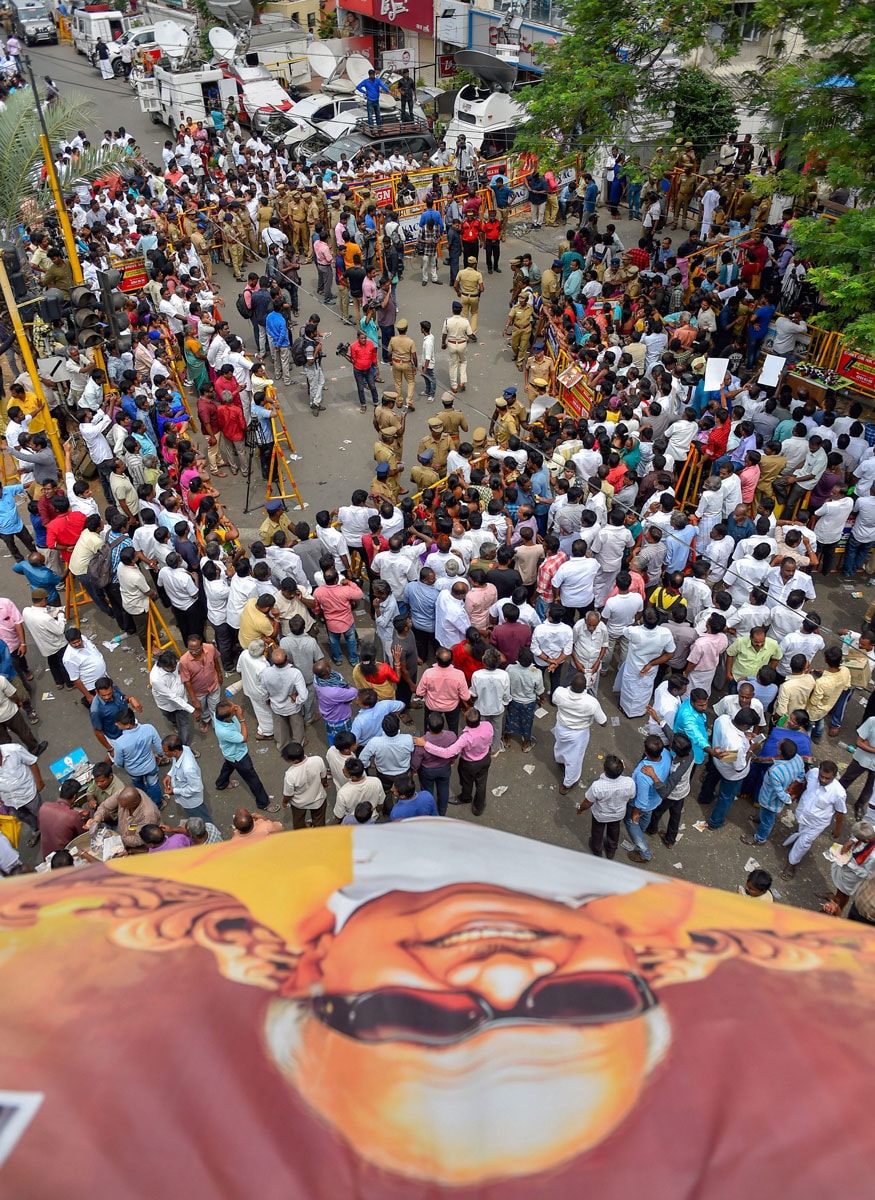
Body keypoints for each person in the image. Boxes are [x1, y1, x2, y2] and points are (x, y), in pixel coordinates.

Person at [414, 707, 493, 815]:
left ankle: (465, 797)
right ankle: (478, 807)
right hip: (485, 758)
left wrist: (426, 744)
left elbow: (447, 752)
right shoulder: (488, 726)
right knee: (481, 783)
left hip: (469, 763)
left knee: (467, 782)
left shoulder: (465, 737)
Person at [213, 701, 278, 812]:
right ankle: (264, 803)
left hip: (229, 754)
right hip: (239, 756)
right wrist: (242, 718)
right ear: (227, 718)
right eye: (234, 711)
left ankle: (221, 783)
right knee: (253, 779)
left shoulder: (218, 715)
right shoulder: (224, 731)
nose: (237, 709)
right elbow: (244, 738)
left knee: (228, 766)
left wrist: (233, 709)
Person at [742, 739, 806, 846]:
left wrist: (788, 798)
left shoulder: (776, 771)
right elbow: (801, 775)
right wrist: (791, 787)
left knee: (768, 821)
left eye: (779, 745)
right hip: (771, 798)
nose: (777, 744)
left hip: (770, 801)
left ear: (780, 752)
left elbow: (779, 792)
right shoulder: (798, 759)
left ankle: (759, 838)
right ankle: (761, 818)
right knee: (765, 815)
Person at [552, 672, 608, 794]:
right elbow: (603, 722)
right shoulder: (591, 702)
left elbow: (554, 700)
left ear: (570, 684)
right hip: (579, 733)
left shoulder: (560, 692)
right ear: (585, 687)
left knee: (560, 746)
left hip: (561, 727)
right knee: (574, 759)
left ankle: (560, 761)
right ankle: (567, 784)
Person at [614, 608, 674, 718]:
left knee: (629, 689)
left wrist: (637, 622)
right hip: (650, 669)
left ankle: (626, 710)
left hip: (634, 667)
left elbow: (625, 630)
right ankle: (640, 711)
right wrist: (651, 664)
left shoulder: (634, 631)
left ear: (643, 620)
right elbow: (670, 654)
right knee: (644, 690)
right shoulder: (665, 633)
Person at [577, 754, 636, 859]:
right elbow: (631, 799)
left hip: (600, 815)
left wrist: (580, 809)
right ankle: (611, 850)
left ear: (604, 770)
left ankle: (597, 850)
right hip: (618, 814)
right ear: (623, 767)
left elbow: (588, 802)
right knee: (614, 830)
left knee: (597, 832)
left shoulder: (597, 786)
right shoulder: (629, 782)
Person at [111, 708, 164, 806]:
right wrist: (160, 755)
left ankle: (144, 801)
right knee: (153, 785)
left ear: (127, 725)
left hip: (133, 771)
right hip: (150, 766)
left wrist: (124, 765)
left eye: (119, 723)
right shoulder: (149, 728)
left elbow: (118, 763)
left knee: (139, 786)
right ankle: (158, 804)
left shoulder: (119, 743)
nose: (116, 724)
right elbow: (160, 747)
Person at [162, 734, 212, 823]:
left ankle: (210, 834)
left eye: (166, 751)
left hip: (192, 802)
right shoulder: (183, 749)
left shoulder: (188, 769)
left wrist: (174, 791)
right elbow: (175, 765)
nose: (164, 754)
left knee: (203, 821)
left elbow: (196, 788)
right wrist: (169, 775)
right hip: (184, 796)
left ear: (175, 751)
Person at [281, 742, 328, 829]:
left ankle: (302, 836)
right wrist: (325, 784)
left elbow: (288, 794)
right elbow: (323, 777)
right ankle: (320, 836)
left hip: (299, 804)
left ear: (294, 760)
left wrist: (284, 802)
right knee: (319, 821)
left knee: (298, 821)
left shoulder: (290, 775)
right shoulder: (317, 760)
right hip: (318, 799)